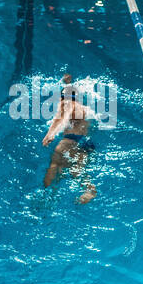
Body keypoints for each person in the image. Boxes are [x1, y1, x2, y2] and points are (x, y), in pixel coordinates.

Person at [41, 74, 97, 204]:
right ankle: (90, 190)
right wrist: (67, 83)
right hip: (86, 143)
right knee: (78, 171)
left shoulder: (66, 103)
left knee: (55, 167)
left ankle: (45, 198)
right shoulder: (82, 107)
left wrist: (51, 133)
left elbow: (61, 117)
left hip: (70, 141)